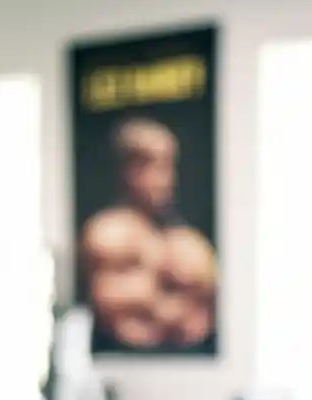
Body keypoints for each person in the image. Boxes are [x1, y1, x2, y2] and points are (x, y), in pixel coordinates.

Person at [80, 117, 216, 350]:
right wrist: (163, 301)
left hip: (182, 360)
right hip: (122, 356)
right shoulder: (107, 231)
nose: (165, 179)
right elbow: (105, 299)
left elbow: (208, 299)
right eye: (152, 165)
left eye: (168, 166)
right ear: (129, 170)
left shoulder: (185, 240)